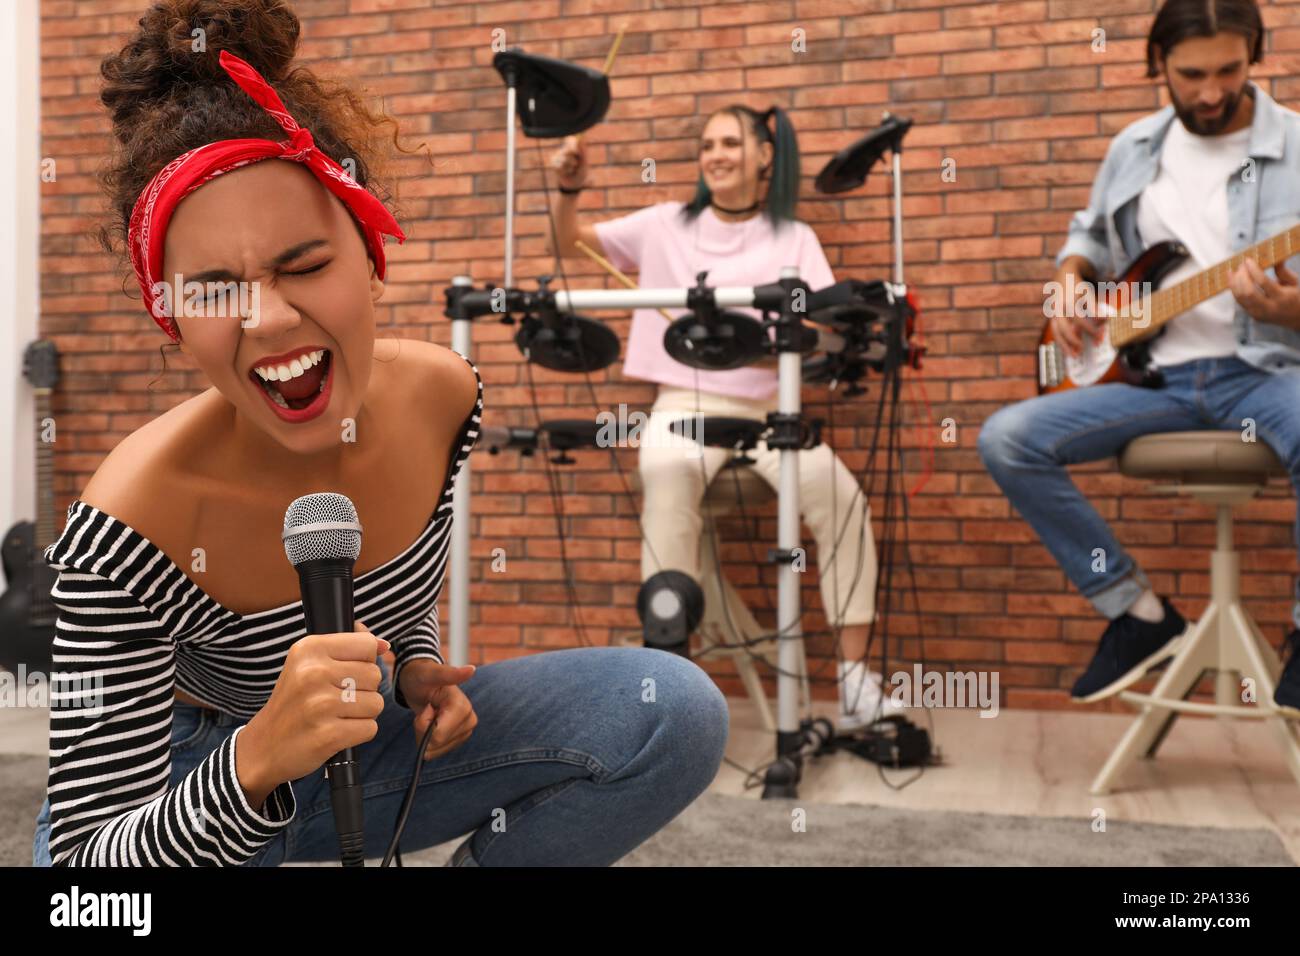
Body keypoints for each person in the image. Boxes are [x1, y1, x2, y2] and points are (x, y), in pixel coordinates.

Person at [32, 0, 728, 868]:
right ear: (170, 318)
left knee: (670, 709)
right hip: (191, 791)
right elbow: (81, 881)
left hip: (363, 754)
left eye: (307, 265)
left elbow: (398, 610)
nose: (271, 319)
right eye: (212, 289)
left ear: (370, 255)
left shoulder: (442, 397)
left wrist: (413, 670)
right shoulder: (129, 526)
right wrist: (254, 760)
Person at [979, 0, 1300, 713]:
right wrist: (1068, 285)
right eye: (1191, 74)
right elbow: (1088, 237)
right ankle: (1140, 616)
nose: (1211, 92)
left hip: (1267, 374)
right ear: (1157, 63)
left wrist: (1290, 309)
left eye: (1230, 70)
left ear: (1255, 55)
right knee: (1008, 438)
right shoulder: (1134, 148)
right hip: (1154, 380)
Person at [548, 104, 895, 729]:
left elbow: (821, 330)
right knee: (669, 475)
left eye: (731, 142)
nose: (716, 154)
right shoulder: (663, 225)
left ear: (765, 155)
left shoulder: (794, 238)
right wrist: (569, 188)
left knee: (841, 497)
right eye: (707, 144)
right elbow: (568, 243)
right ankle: (666, 680)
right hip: (683, 404)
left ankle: (854, 680)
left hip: (771, 405)